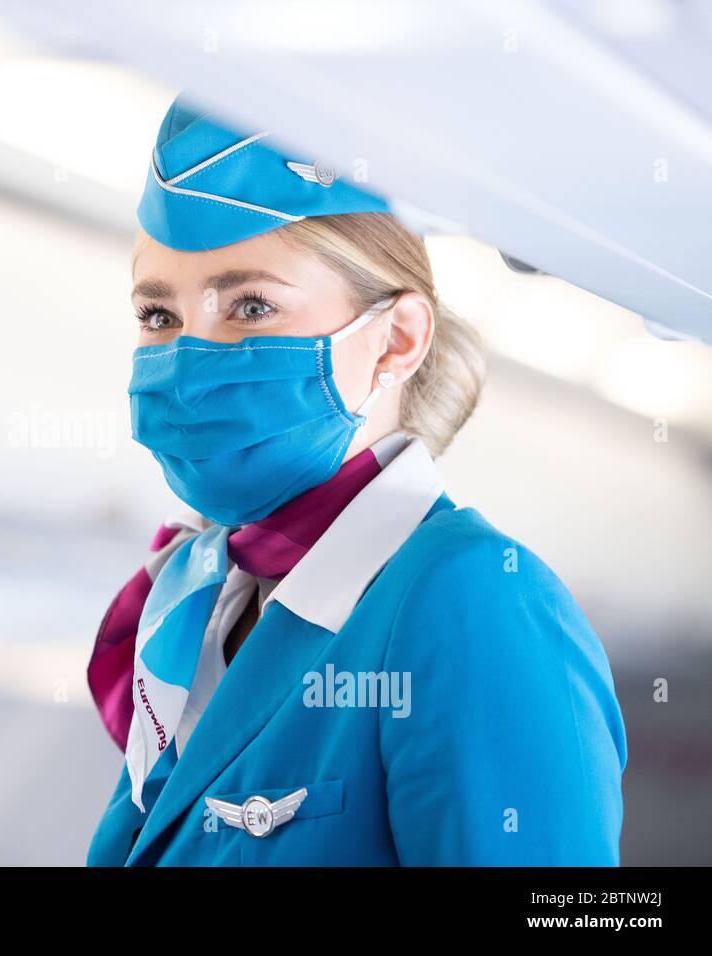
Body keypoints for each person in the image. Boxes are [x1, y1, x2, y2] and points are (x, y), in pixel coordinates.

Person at [84, 93, 627, 866]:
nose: (191, 356)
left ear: (394, 341)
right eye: (161, 317)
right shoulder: (191, 602)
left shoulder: (474, 598)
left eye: (250, 306)